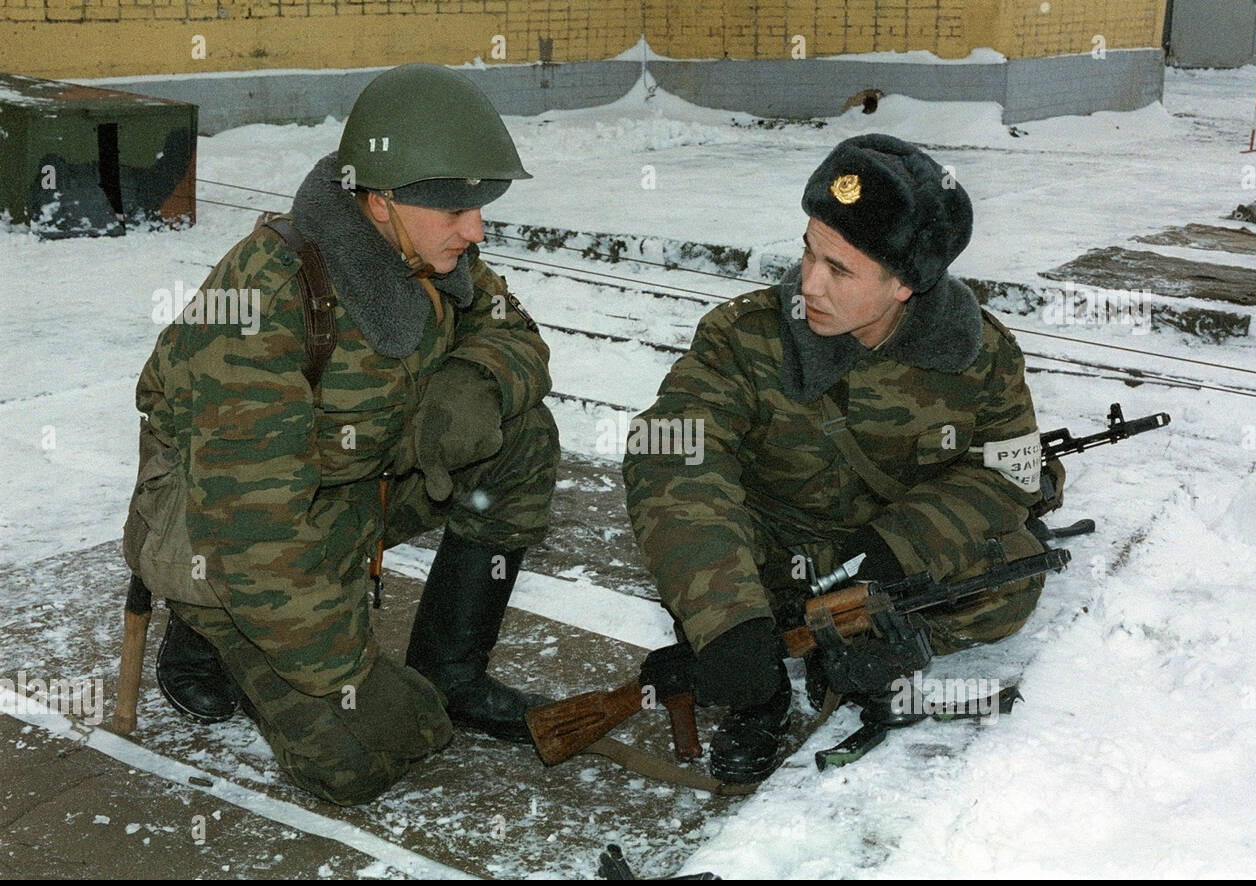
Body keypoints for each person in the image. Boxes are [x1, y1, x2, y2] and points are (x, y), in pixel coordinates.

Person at [123, 64, 559, 806]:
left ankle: (451, 673)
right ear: (379, 201)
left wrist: (477, 379)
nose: (476, 230)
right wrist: (353, 676)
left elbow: (514, 331)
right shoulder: (263, 300)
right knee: (358, 762)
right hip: (223, 534)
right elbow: (255, 529)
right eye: (456, 209)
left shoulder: (427, 250)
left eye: (480, 207)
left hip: (349, 486)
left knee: (523, 437)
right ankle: (202, 629)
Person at [623, 135, 1048, 785]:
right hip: (773, 555)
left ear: (904, 284)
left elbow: (1009, 470)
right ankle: (761, 688)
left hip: (885, 562)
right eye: (808, 251)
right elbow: (672, 454)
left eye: (839, 269)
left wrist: (897, 546)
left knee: (1011, 576)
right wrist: (729, 622)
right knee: (704, 578)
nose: (808, 283)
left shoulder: (979, 353)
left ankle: (846, 643)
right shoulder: (746, 336)